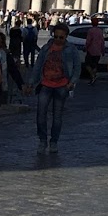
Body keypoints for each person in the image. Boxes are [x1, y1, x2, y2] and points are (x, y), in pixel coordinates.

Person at [24, 23, 82, 152]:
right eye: (56, 37)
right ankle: (42, 140)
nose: (58, 40)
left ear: (66, 37)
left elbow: (77, 68)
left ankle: (54, 141)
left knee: (57, 116)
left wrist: (72, 82)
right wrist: (31, 83)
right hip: (45, 84)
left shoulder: (71, 49)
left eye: (61, 38)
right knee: (40, 114)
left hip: (62, 86)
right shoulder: (46, 48)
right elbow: (38, 66)